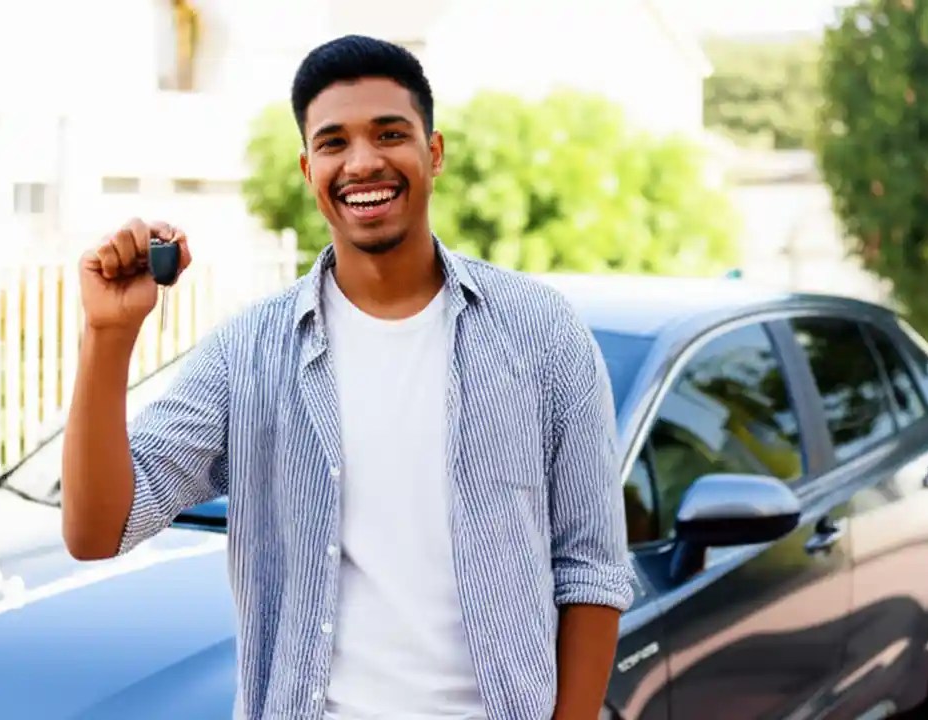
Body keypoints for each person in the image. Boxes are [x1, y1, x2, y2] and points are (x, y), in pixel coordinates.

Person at [61, 34, 634, 720]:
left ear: (434, 152)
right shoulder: (250, 352)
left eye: (389, 134)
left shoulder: (541, 334)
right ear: (309, 170)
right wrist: (108, 335)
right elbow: (98, 532)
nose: (363, 162)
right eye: (334, 143)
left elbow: (591, 570)